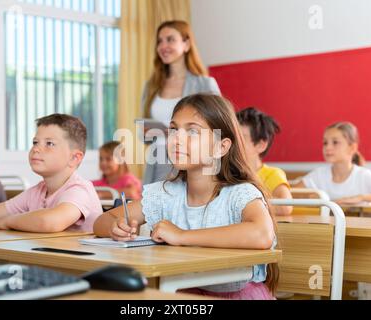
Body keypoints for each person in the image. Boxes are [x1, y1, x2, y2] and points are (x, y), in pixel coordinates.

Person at [94, 94, 278, 300]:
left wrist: (181, 236)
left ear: (221, 147)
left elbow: (262, 234)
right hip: (180, 294)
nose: (177, 139)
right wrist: (115, 227)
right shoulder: (165, 193)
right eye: (174, 129)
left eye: (192, 131)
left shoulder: (239, 193)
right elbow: (102, 221)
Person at [0, 114, 103, 233]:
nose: (36, 149)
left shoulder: (79, 189)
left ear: (74, 158)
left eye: (49, 143)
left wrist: (8, 221)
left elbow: (50, 222)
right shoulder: (36, 192)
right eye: (35, 142)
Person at [141, 20, 221, 185]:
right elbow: (144, 135)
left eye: (170, 39)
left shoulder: (204, 84)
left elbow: (218, 129)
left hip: (192, 161)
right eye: (160, 41)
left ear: (186, 44)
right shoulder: (151, 87)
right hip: (159, 160)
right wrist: (149, 131)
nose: (163, 46)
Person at [292, 122, 371, 205]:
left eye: (335, 142)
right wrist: (308, 196)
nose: (328, 147)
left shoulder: (363, 175)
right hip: (327, 228)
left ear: (352, 148)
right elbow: (289, 194)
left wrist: (361, 197)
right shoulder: (319, 175)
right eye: (325, 143)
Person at [236, 108, 292, 215]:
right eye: (232, 137)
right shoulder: (227, 174)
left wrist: (245, 208)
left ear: (261, 145)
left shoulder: (272, 174)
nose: (232, 143)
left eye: (241, 138)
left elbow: (285, 207)